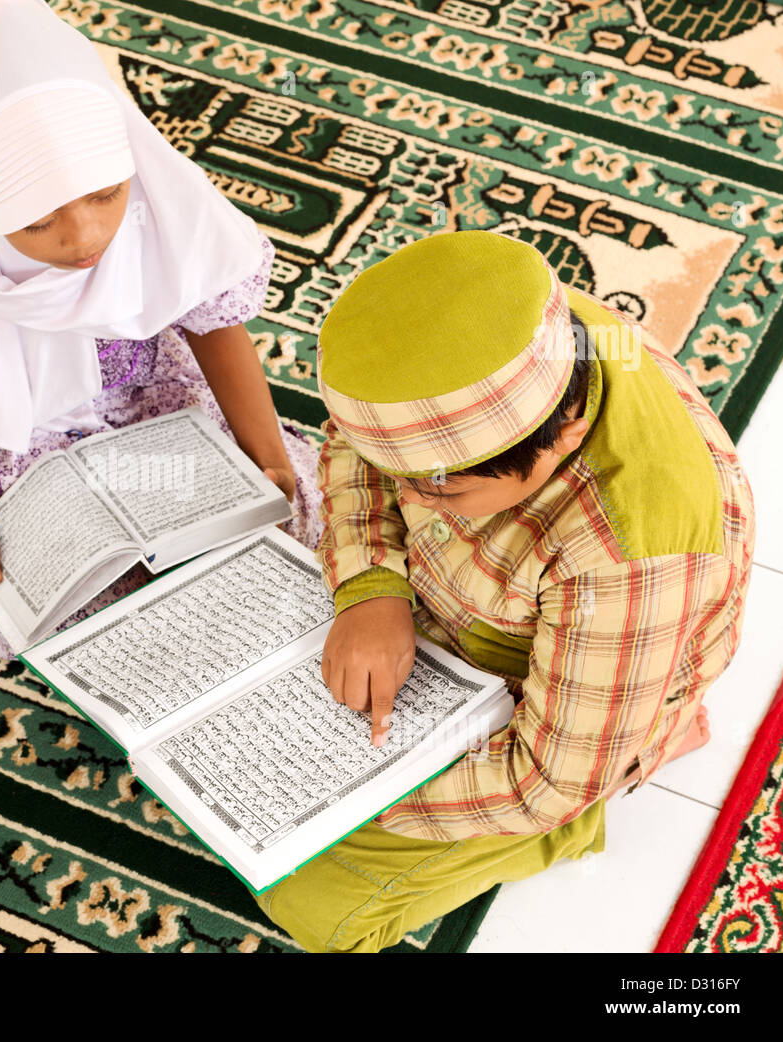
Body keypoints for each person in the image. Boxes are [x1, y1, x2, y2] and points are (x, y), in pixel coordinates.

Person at [254, 228, 755, 952]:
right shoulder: (510, 328)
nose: (409, 497)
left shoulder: (628, 562)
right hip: (459, 606)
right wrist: (368, 587)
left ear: (563, 436)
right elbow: (353, 450)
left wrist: (345, 795)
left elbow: (543, 782)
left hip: (567, 683)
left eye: (439, 488)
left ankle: (640, 754)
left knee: (313, 901)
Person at [0, 0, 324, 660]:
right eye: (37, 222)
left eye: (106, 195)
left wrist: (268, 462)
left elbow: (218, 329)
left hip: (140, 406)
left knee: (300, 513)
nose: (84, 237)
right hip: (3, 448)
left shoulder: (163, 204)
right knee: (2, 578)